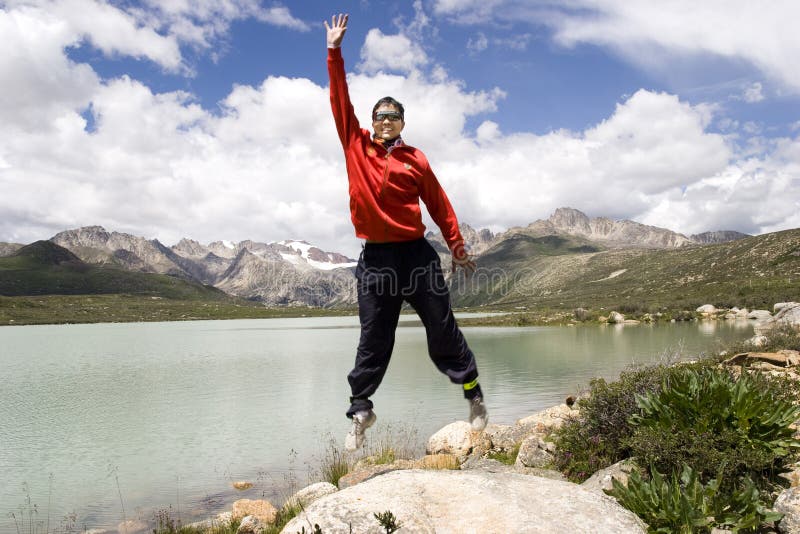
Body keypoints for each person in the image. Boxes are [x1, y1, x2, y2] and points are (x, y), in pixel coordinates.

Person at [324, 13, 488, 451]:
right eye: (380, 115)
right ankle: (361, 410)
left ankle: (473, 392)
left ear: (402, 123)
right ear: (372, 120)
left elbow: (438, 203)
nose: (385, 121)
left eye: (393, 116)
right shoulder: (355, 145)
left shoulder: (415, 159)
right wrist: (334, 52)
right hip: (376, 259)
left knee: (441, 326)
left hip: (416, 256)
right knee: (374, 335)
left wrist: (455, 243)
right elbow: (340, 101)